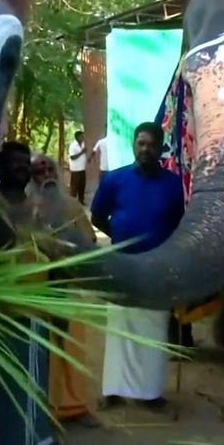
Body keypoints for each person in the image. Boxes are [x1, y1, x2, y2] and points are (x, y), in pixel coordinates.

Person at [0, 141, 56, 445]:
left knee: (28, 386)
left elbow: (60, 251)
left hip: (30, 315)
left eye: (24, 162)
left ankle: (31, 439)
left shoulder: (42, 207)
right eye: (12, 162)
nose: (20, 167)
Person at [91, 122, 184, 410]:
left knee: (153, 330)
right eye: (141, 143)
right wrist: (118, 236)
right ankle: (113, 390)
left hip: (156, 268)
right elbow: (96, 216)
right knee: (119, 327)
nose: (145, 149)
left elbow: (179, 224)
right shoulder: (114, 180)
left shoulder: (172, 185)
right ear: (134, 145)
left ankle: (151, 394)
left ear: (160, 148)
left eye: (151, 145)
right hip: (122, 265)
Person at [28, 154, 99, 426]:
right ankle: (42, 410)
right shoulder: (23, 207)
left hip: (67, 289)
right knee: (41, 353)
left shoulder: (71, 206)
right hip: (34, 293)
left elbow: (89, 241)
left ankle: (75, 409)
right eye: (39, 169)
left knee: (70, 351)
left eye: (49, 168)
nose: (45, 174)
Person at [68, 131, 87, 205]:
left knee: (82, 186)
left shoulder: (82, 144)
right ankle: (72, 203)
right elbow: (72, 157)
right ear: (77, 137)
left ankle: (81, 201)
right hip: (76, 170)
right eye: (82, 136)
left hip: (82, 168)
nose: (83, 138)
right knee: (74, 187)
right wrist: (82, 152)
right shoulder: (73, 146)